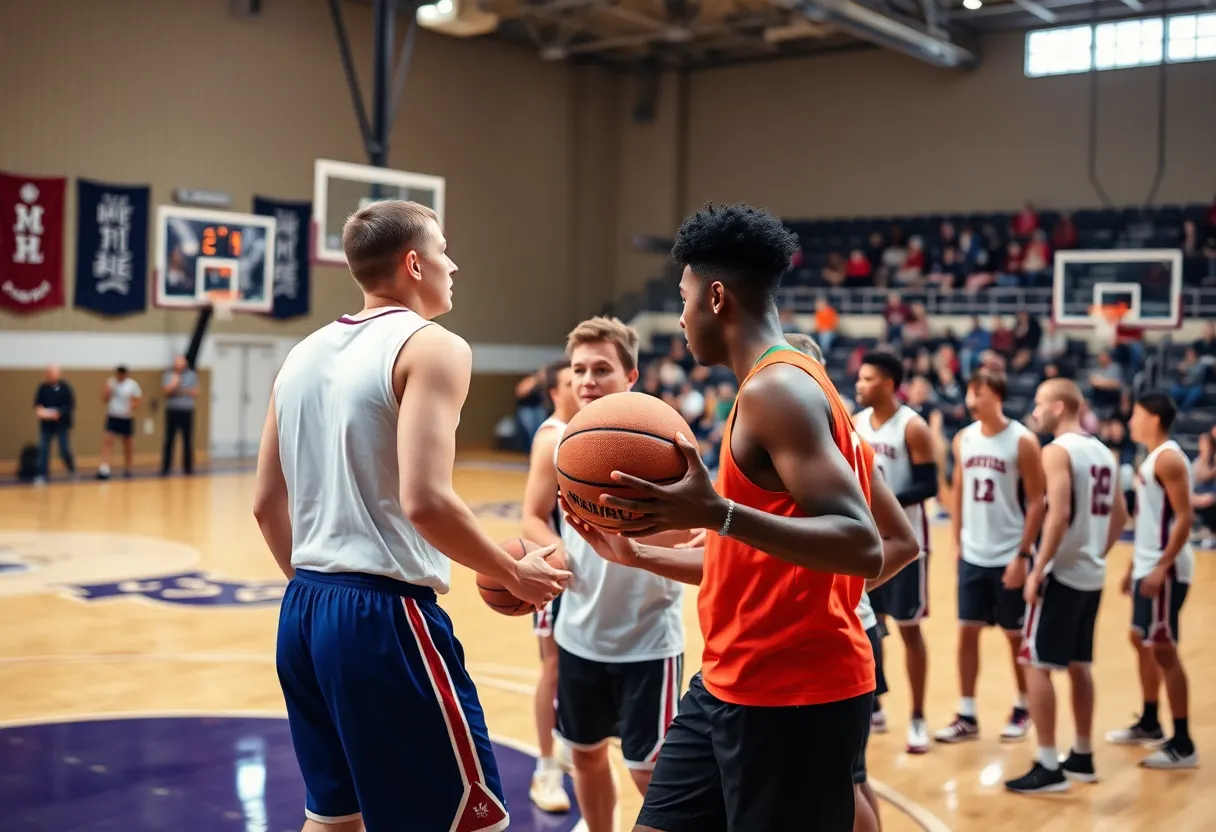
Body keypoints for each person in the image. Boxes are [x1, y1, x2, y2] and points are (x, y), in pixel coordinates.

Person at [562, 203, 884, 832]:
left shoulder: (777, 391)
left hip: (792, 692)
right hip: (728, 681)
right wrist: (639, 554)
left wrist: (717, 511)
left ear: (714, 297)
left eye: (682, 299)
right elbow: (747, 558)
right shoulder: (769, 389)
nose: (679, 319)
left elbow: (862, 544)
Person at [252, 200, 570, 832]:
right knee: (472, 822)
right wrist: (512, 573)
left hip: (305, 611)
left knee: (334, 818)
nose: (454, 264)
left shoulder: (301, 354)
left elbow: (265, 505)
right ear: (414, 263)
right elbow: (425, 501)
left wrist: (325, 593)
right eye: (444, 250)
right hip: (384, 619)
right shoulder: (435, 347)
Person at [548, 317, 688, 832]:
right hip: (579, 633)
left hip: (648, 640)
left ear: (631, 375)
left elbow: (698, 536)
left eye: (601, 369)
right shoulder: (560, 444)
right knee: (584, 756)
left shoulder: (664, 442)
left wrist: (633, 541)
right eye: (578, 369)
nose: (587, 379)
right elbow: (532, 515)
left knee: (651, 774)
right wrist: (549, 552)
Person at [1005, 379, 1126, 794]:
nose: (1035, 411)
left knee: (1034, 662)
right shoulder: (1103, 453)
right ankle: (1083, 754)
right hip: (1091, 575)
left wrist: (1038, 568)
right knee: (1079, 666)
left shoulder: (1056, 450)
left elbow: (1059, 514)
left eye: (1040, 404)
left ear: (1058, 407)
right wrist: (1095, 552)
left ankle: (1047, 764)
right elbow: (1120, 515)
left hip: (1060, 574)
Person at [936, 368, 1045, 744]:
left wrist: (1022, 555)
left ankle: (1023, 705)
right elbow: (959, 492)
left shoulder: (1022, 441)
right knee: (967, 632)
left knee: (1015, 637)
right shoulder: (964, 439)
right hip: (973, 554)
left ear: (996, 395)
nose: (970, 400)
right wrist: (956, 542)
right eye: (969, 393)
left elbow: (1037, 501)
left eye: (978, 393)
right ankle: (966, 713)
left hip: (1009, 554)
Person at [1105, 393, 1199, 769]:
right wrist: (1133, 567)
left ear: (1155, 419)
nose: (1130, 421)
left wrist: (1161, 566)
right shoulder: (1154, 457)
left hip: (1167, 569)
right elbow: (1149, 522)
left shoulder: (1170, 459)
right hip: (1148, 564)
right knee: (1139, 639)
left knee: (1163, 648)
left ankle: (1183, 743)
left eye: (1137, 415)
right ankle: (1148, 721)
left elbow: (1185, 517)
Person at [853, 351, 937, 754]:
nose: (859, 384)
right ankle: (876, 704)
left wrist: (881, 500)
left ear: (888, 384)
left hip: (906, 545)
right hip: (865, 542)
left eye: (867, 378)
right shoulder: (854, 424)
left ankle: (918, 716)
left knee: (909, 629)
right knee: (872, 624)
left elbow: (929, 485)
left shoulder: (913, 427)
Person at [519, 358, 577, 813]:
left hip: (596, 584)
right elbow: (532, 518)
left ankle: (567, 744)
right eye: (573, 379)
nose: (584, 384)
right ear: (555, 392)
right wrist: (563, 556)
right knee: (553, 669)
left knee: (578, 672)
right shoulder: (554, 436)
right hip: (560, 576)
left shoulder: (595, 432)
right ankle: (545, 771)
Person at [33, 364, 76, 483]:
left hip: (62, 424)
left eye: (53, 372)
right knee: (43, 449)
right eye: (49, 373)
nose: (51, 375)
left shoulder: (65, 387)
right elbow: (38, 405)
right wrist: (44, 413)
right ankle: (42, 474)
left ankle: (71, 469)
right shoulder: (42, 388)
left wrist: (59, 413)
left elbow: (70, 406)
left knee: (64, 448)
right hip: (46, 425)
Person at [98, 365, 142, 480]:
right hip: (113, 416)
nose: (120, 376)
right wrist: (108, 391)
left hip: (126, 417)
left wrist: (132, 407)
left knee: (127, 443)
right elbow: (104, 398)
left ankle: (128, 468)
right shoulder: (111, 383)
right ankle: (104, 468)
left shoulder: (132, 385)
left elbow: (138, 400)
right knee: (108, 440)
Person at [161, 354, 199, 475]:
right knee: (169, 440)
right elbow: (166, 392)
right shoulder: (168, 375)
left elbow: (195, 392)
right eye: (176, 362)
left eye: (181, 362)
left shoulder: (192, 375)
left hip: (187, 411)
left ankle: (188, 468)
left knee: (187, 439)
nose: (179, 364)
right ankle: (166, 468)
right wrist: (174, 384)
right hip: (172, 410)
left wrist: (182, 389)